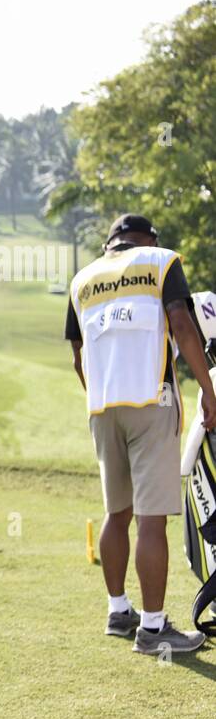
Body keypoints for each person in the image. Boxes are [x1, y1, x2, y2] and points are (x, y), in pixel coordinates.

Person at [66, 213, 214, 655]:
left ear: (112, 243)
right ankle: (152, 629)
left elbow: (78, 357)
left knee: (118, 513)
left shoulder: (82, 279)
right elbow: (183, 326)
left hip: (102, 406)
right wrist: (209, 391)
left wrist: (101, 395)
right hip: (151, 399)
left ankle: (119, 611)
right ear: (147, 238)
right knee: (152, 519)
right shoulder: (162, 261)